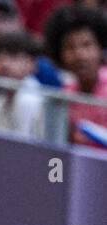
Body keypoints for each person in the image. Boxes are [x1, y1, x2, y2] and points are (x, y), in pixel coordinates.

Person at [44, 5, 107, 147]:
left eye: (87, 45)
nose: (80, 55)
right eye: (70, 47)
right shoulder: (65, 95)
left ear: (100, 48)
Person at [0, 30, 48, 137]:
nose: (3, 64)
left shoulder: (31, 99)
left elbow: (24, 149)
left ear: (32, 63)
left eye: (13, 56)